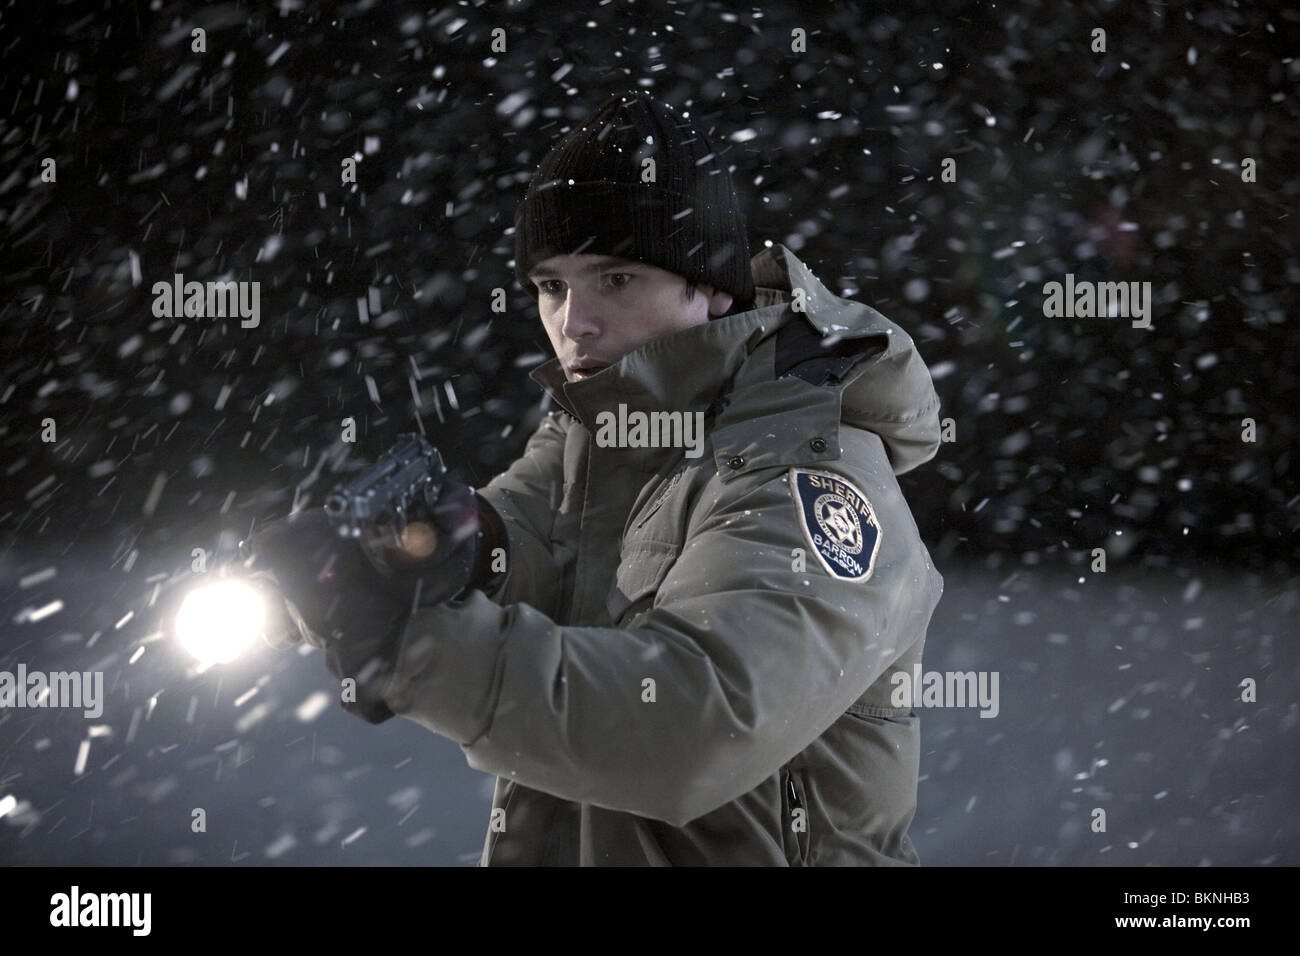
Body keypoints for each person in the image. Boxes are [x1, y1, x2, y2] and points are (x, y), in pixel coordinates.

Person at [247, 91, 945, 866]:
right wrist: (389, 559)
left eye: (615, 280)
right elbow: (519, 536)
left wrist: (409, 647)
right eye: (552, 285)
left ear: (709, 290)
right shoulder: (594, 432)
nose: (573, 320)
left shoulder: (813, 463)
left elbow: (693, 729)